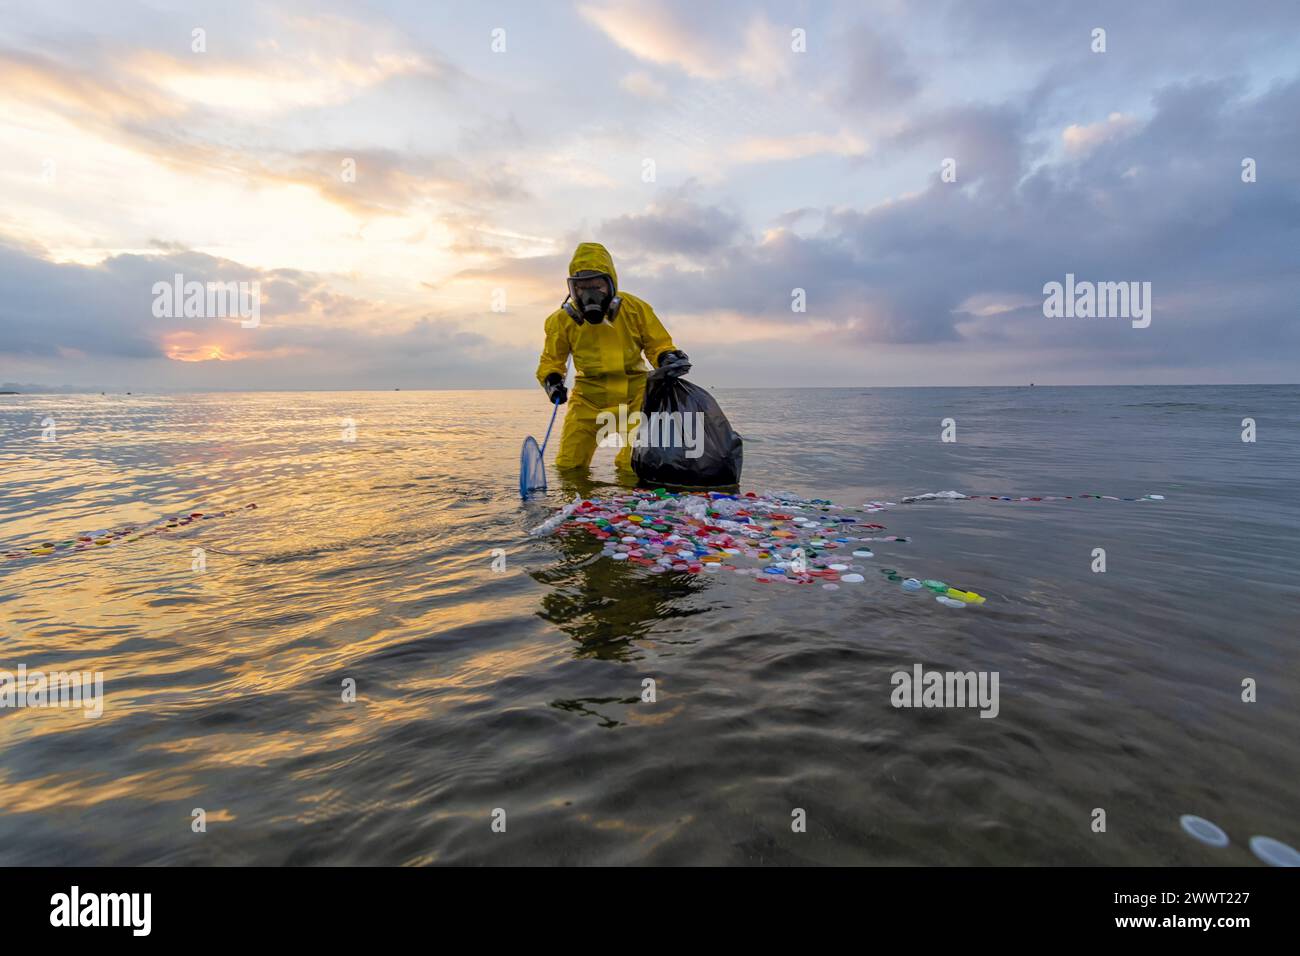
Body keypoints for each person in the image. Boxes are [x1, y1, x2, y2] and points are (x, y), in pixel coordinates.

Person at [536, 242, 689, 474]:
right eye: (582, 288)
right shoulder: (560, 321)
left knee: (633, 465)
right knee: (568, 467)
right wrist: (552, 381)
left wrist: (667, 357)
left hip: (635, 399)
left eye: (596, 287)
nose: (589, 295)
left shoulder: (635, 309)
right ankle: (578, 508)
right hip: (588, 403)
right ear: (573, 289)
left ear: (611, 285)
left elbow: (657, 344)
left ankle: (632, 507)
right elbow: (551, 360)